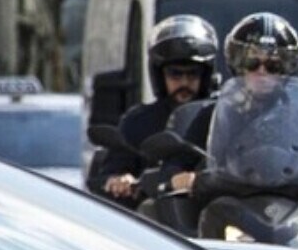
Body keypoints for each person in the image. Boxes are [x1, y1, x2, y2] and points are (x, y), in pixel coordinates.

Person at [170, 13, 298, 200]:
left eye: (273, 66)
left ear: (286, 69)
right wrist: (180, 178)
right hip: (227, 207)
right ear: (238, 64)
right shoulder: (213, 114)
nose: (262, 72)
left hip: (290, 209)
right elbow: (177, 162)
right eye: (252, 63)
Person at [86, 15, 220, 207]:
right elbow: (111, 169)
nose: (184, 82)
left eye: (193, 74)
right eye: (175, 74)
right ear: (159, 75)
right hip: (153, 219)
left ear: (206, 75)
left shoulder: (220, 116)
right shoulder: (139, 120)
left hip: (213, 210)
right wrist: (119, 180)